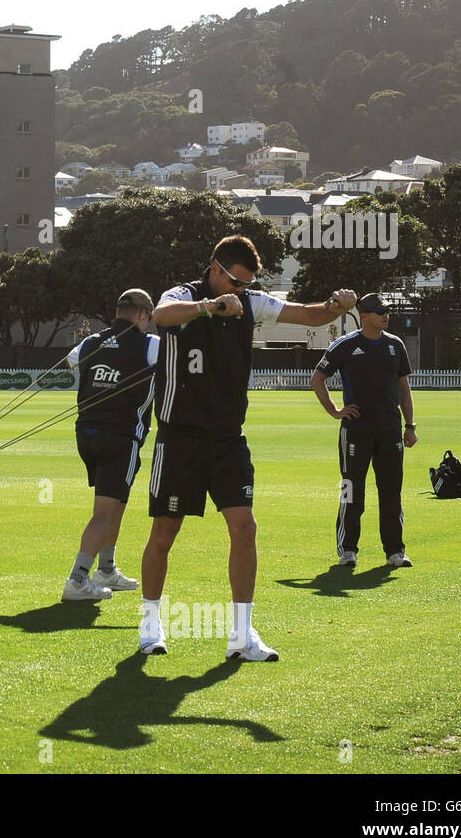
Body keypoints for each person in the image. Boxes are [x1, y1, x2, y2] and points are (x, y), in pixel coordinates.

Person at [138, 235, 356, 660]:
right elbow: (161, 316)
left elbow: (307, 316)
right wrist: (210, 307)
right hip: (180, 436)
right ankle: (150, 624)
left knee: (245, 527)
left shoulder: (251, 302)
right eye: (235, 283)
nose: (241, 292)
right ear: (216, 269)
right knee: (165, 530)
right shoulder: (185, 295)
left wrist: (335, 306)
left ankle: (241, 635)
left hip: (228, 438)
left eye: (246, 285)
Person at [61, 288, 157, 602]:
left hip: (86, 433)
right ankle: (77, 579)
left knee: (115, 503)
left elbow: (70, 362)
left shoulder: (90, 342)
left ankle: (106, 569)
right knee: (105, 512)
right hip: (120, 437)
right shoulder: (151, 345)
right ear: (143, 315)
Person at [310, 293, 417, 569]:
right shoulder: (345, 345)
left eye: (387, 311)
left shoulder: (395, 345)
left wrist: (410, 425)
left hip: (390, 430)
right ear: (365, 315)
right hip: (356, 431)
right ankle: (348, 551)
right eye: (380, 311)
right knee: (351, 491)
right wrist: (335, 411)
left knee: (391, 492)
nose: (386, 315)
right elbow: (317, 379)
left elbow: (403, 388)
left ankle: (395, 551)